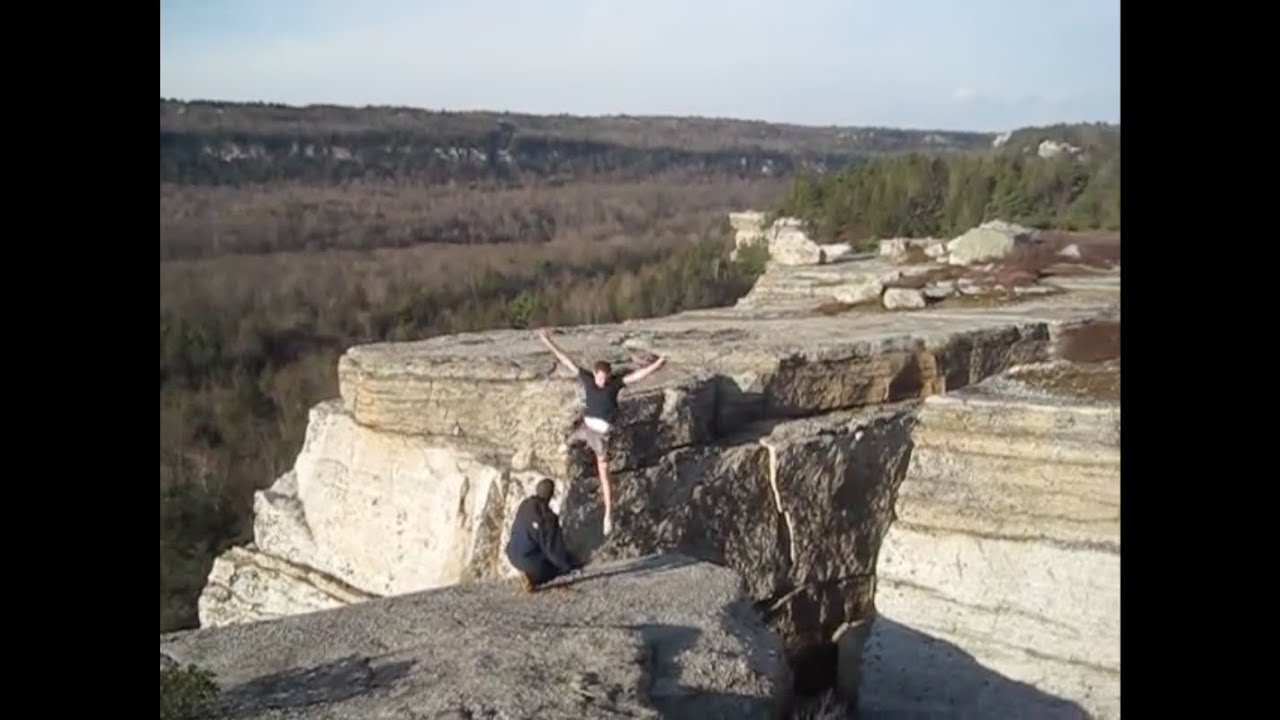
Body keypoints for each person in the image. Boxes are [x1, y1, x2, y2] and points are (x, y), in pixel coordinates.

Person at [535, 327, 667, 535]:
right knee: (568, 439)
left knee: (603, 473)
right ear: (595, 373)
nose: (602, 381)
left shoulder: (614, 385)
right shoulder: (587, 378)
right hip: (586, 428)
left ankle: (608, 515)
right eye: (600, 378)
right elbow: (565, 359)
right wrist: (547, 341)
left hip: (601, 436)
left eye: (605, 378)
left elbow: (637, 376)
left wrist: (657, 364)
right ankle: (566, 447)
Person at [505, 478, 582, 592]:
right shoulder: (548, 518)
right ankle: (533, 579)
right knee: (552, 569)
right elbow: (553, 551)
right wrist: (568, 567)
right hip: (529, 560)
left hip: (512, 553)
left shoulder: (525, 505)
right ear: (551, 495)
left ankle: (527, 573)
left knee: (534, 548)